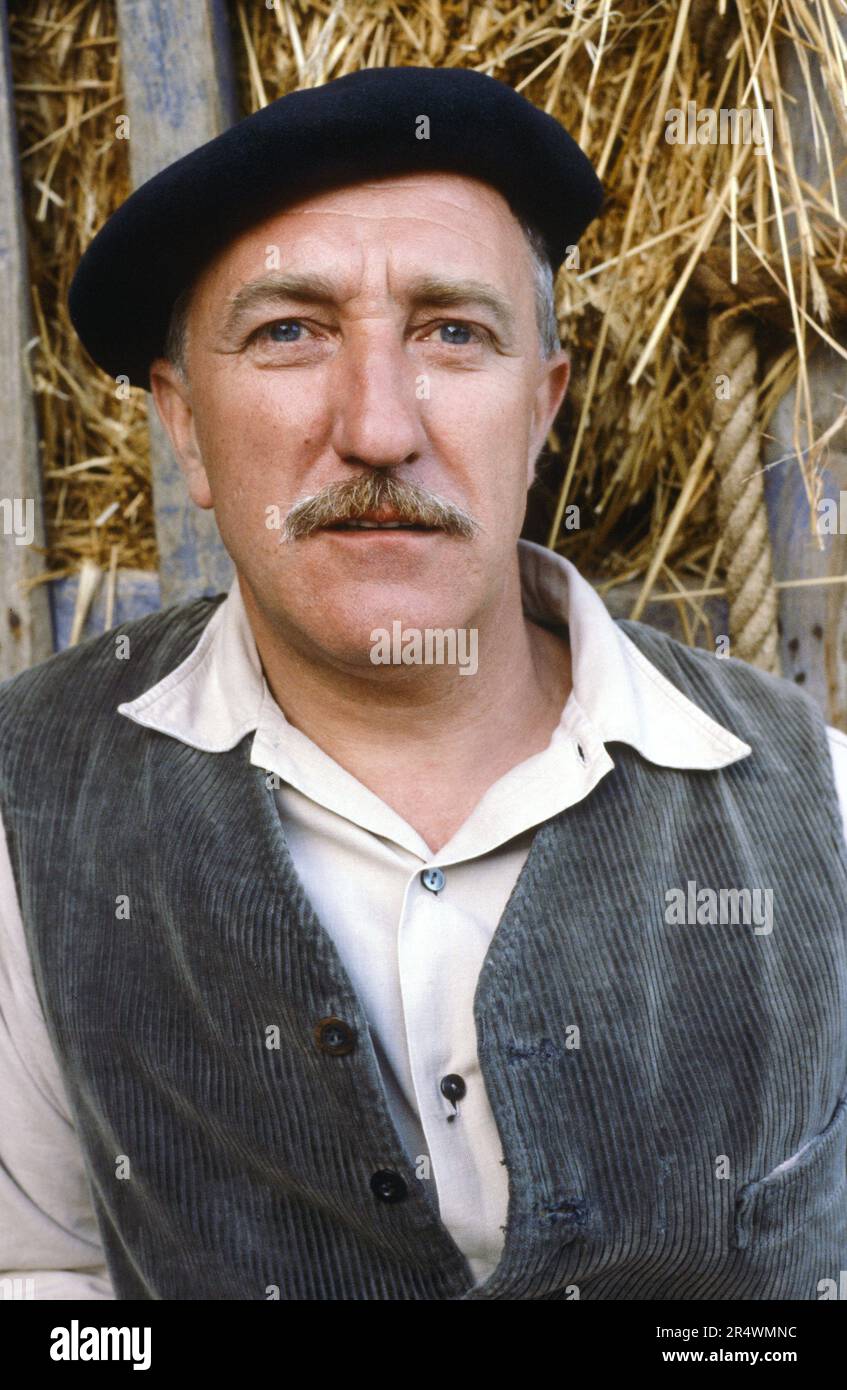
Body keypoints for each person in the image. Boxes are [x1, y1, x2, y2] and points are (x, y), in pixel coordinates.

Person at [1, 66, 846, 1302]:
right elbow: (40, 1277)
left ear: (540, 411)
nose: (380, 428)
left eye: (453, 331)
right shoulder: (30, 809)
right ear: (182, 426)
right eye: (289, 331)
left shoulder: (818, 803)